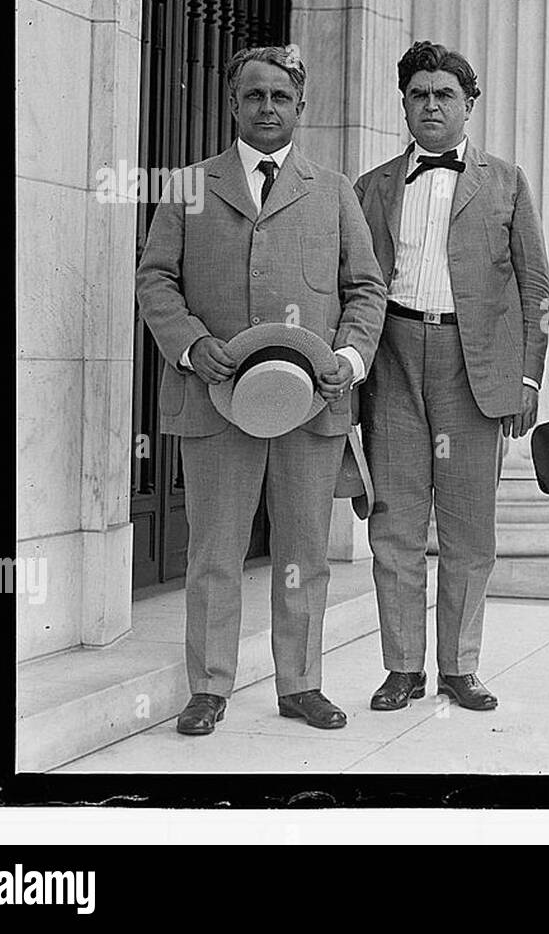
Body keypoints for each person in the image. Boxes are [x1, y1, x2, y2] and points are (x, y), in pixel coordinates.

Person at [136, 44, 386, 735]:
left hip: (310, 405)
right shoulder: (191, 185)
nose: (267, 107)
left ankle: (301, 683)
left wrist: (350, 356)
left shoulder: (333, 190)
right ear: (233, 104)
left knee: (305, 550)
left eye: (280, 96)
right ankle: (209, 686)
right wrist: (190, 342)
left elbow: (366, 287)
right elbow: (155, 277)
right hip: (215, 402)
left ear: (300, 106)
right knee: (214, 550)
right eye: (254, 95)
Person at [354, 41, 549, 714]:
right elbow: (356, 286)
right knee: (395, 524)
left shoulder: (507, 180)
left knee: (470, 529)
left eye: (444, 95)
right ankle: (402, 666)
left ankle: (460, 666)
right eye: (418, 94)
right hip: (394, 358)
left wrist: (528, 379)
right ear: (403, 103)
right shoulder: (373, 185)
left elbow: (533, 286)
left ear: (468, 104)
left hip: (473, 366)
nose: (430, 105)